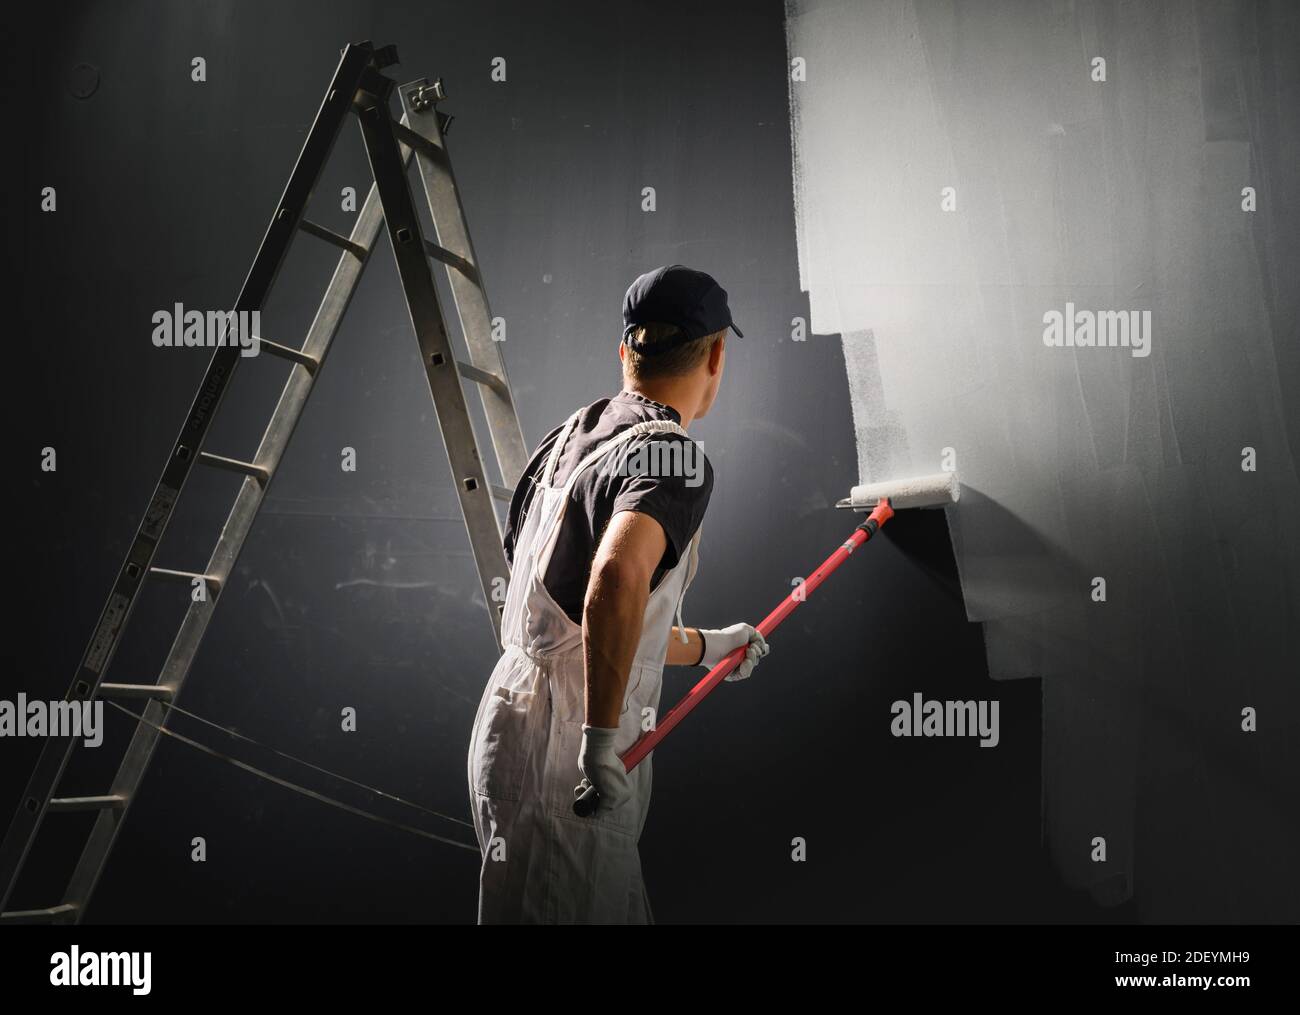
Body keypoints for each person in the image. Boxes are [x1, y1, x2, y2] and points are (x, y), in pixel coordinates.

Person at [466, 264, 770, 924]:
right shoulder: (675, 456)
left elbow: (574, 611)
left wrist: (710, 646)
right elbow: (613, 578)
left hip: (515, 715)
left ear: (626, 348)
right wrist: (599, 741)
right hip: (570, 748)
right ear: (717, 353)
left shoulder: (572, 436)